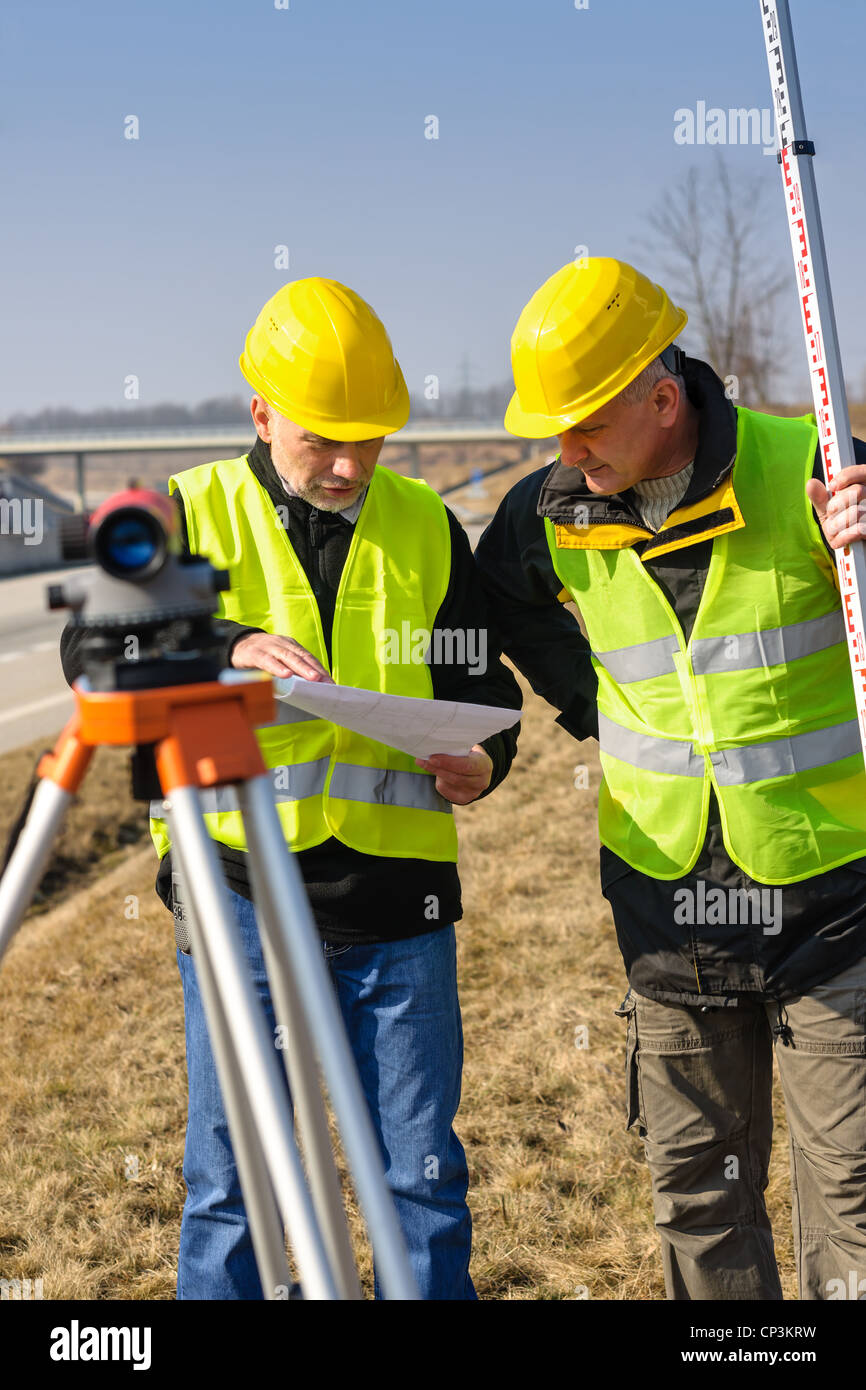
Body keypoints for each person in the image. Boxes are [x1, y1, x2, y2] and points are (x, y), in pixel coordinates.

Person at [61, 276, 521, 1300]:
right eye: (323, 439)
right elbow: (91, 647)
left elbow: (478, 685)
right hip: (239, 899)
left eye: (371, 440)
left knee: (420, 1178)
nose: (350, 465)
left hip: (397, 905)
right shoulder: (181, 512)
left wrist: (486, 760)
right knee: (234, 1184)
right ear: (260, 411)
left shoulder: (424, 524)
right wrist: (222, 643)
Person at [474, 255, 866, 1301]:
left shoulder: (814, 467)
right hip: (666, 905)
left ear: (661, 399)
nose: (563, 450)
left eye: (583, 425)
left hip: (831, 901)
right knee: (695, 1186)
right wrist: (586, 704)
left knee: (853, 1192)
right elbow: (495, 602)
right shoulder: (551, 507)